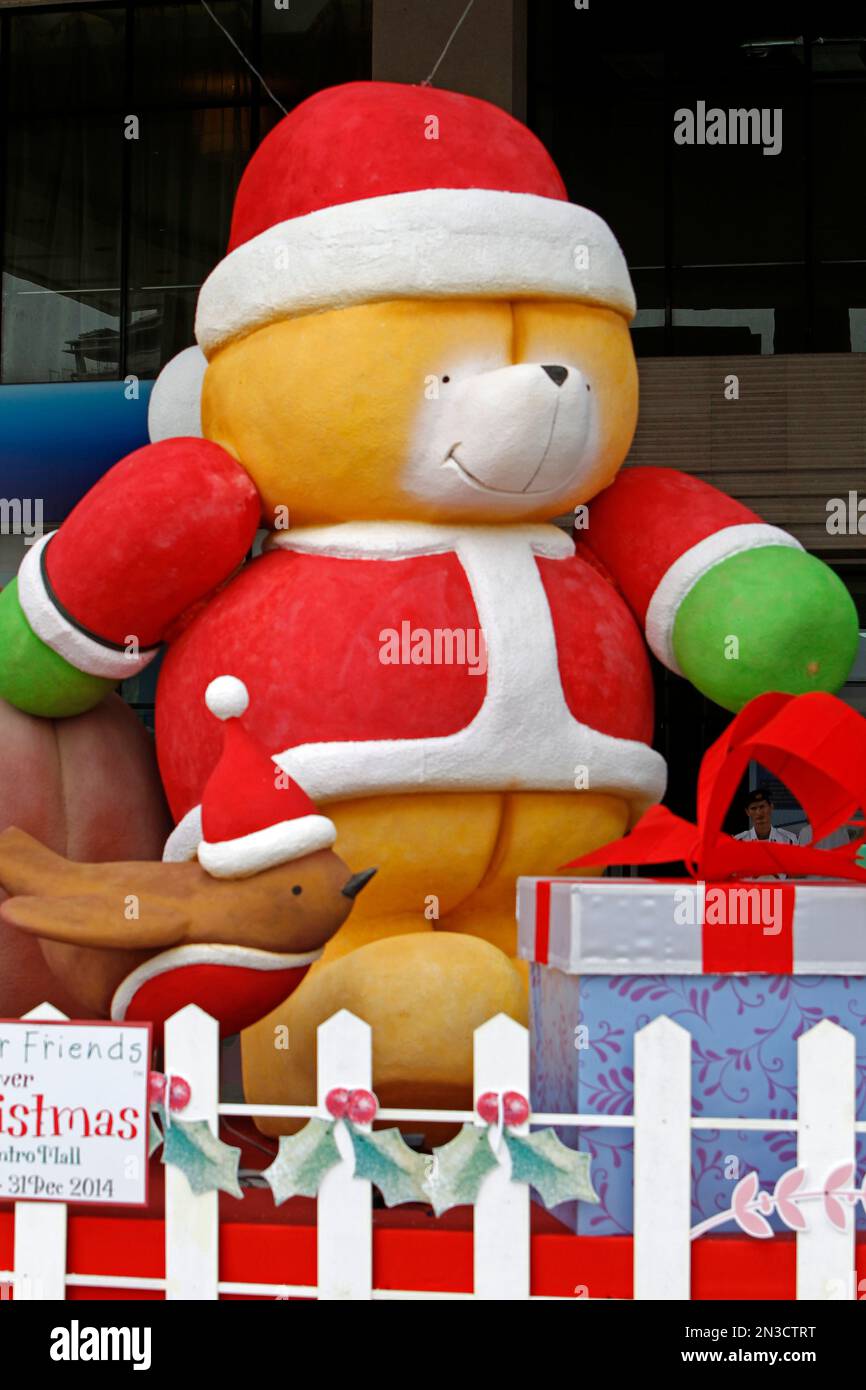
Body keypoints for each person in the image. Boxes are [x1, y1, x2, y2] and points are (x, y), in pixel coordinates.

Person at [734, 786, 797, 880]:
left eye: (762, 806)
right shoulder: (738, 842)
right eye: (753, 808)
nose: (759, 813)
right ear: (747, 812)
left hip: (781, 892)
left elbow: (795, 875)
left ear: (771, 807)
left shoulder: (789, 840)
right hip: (750, 893)